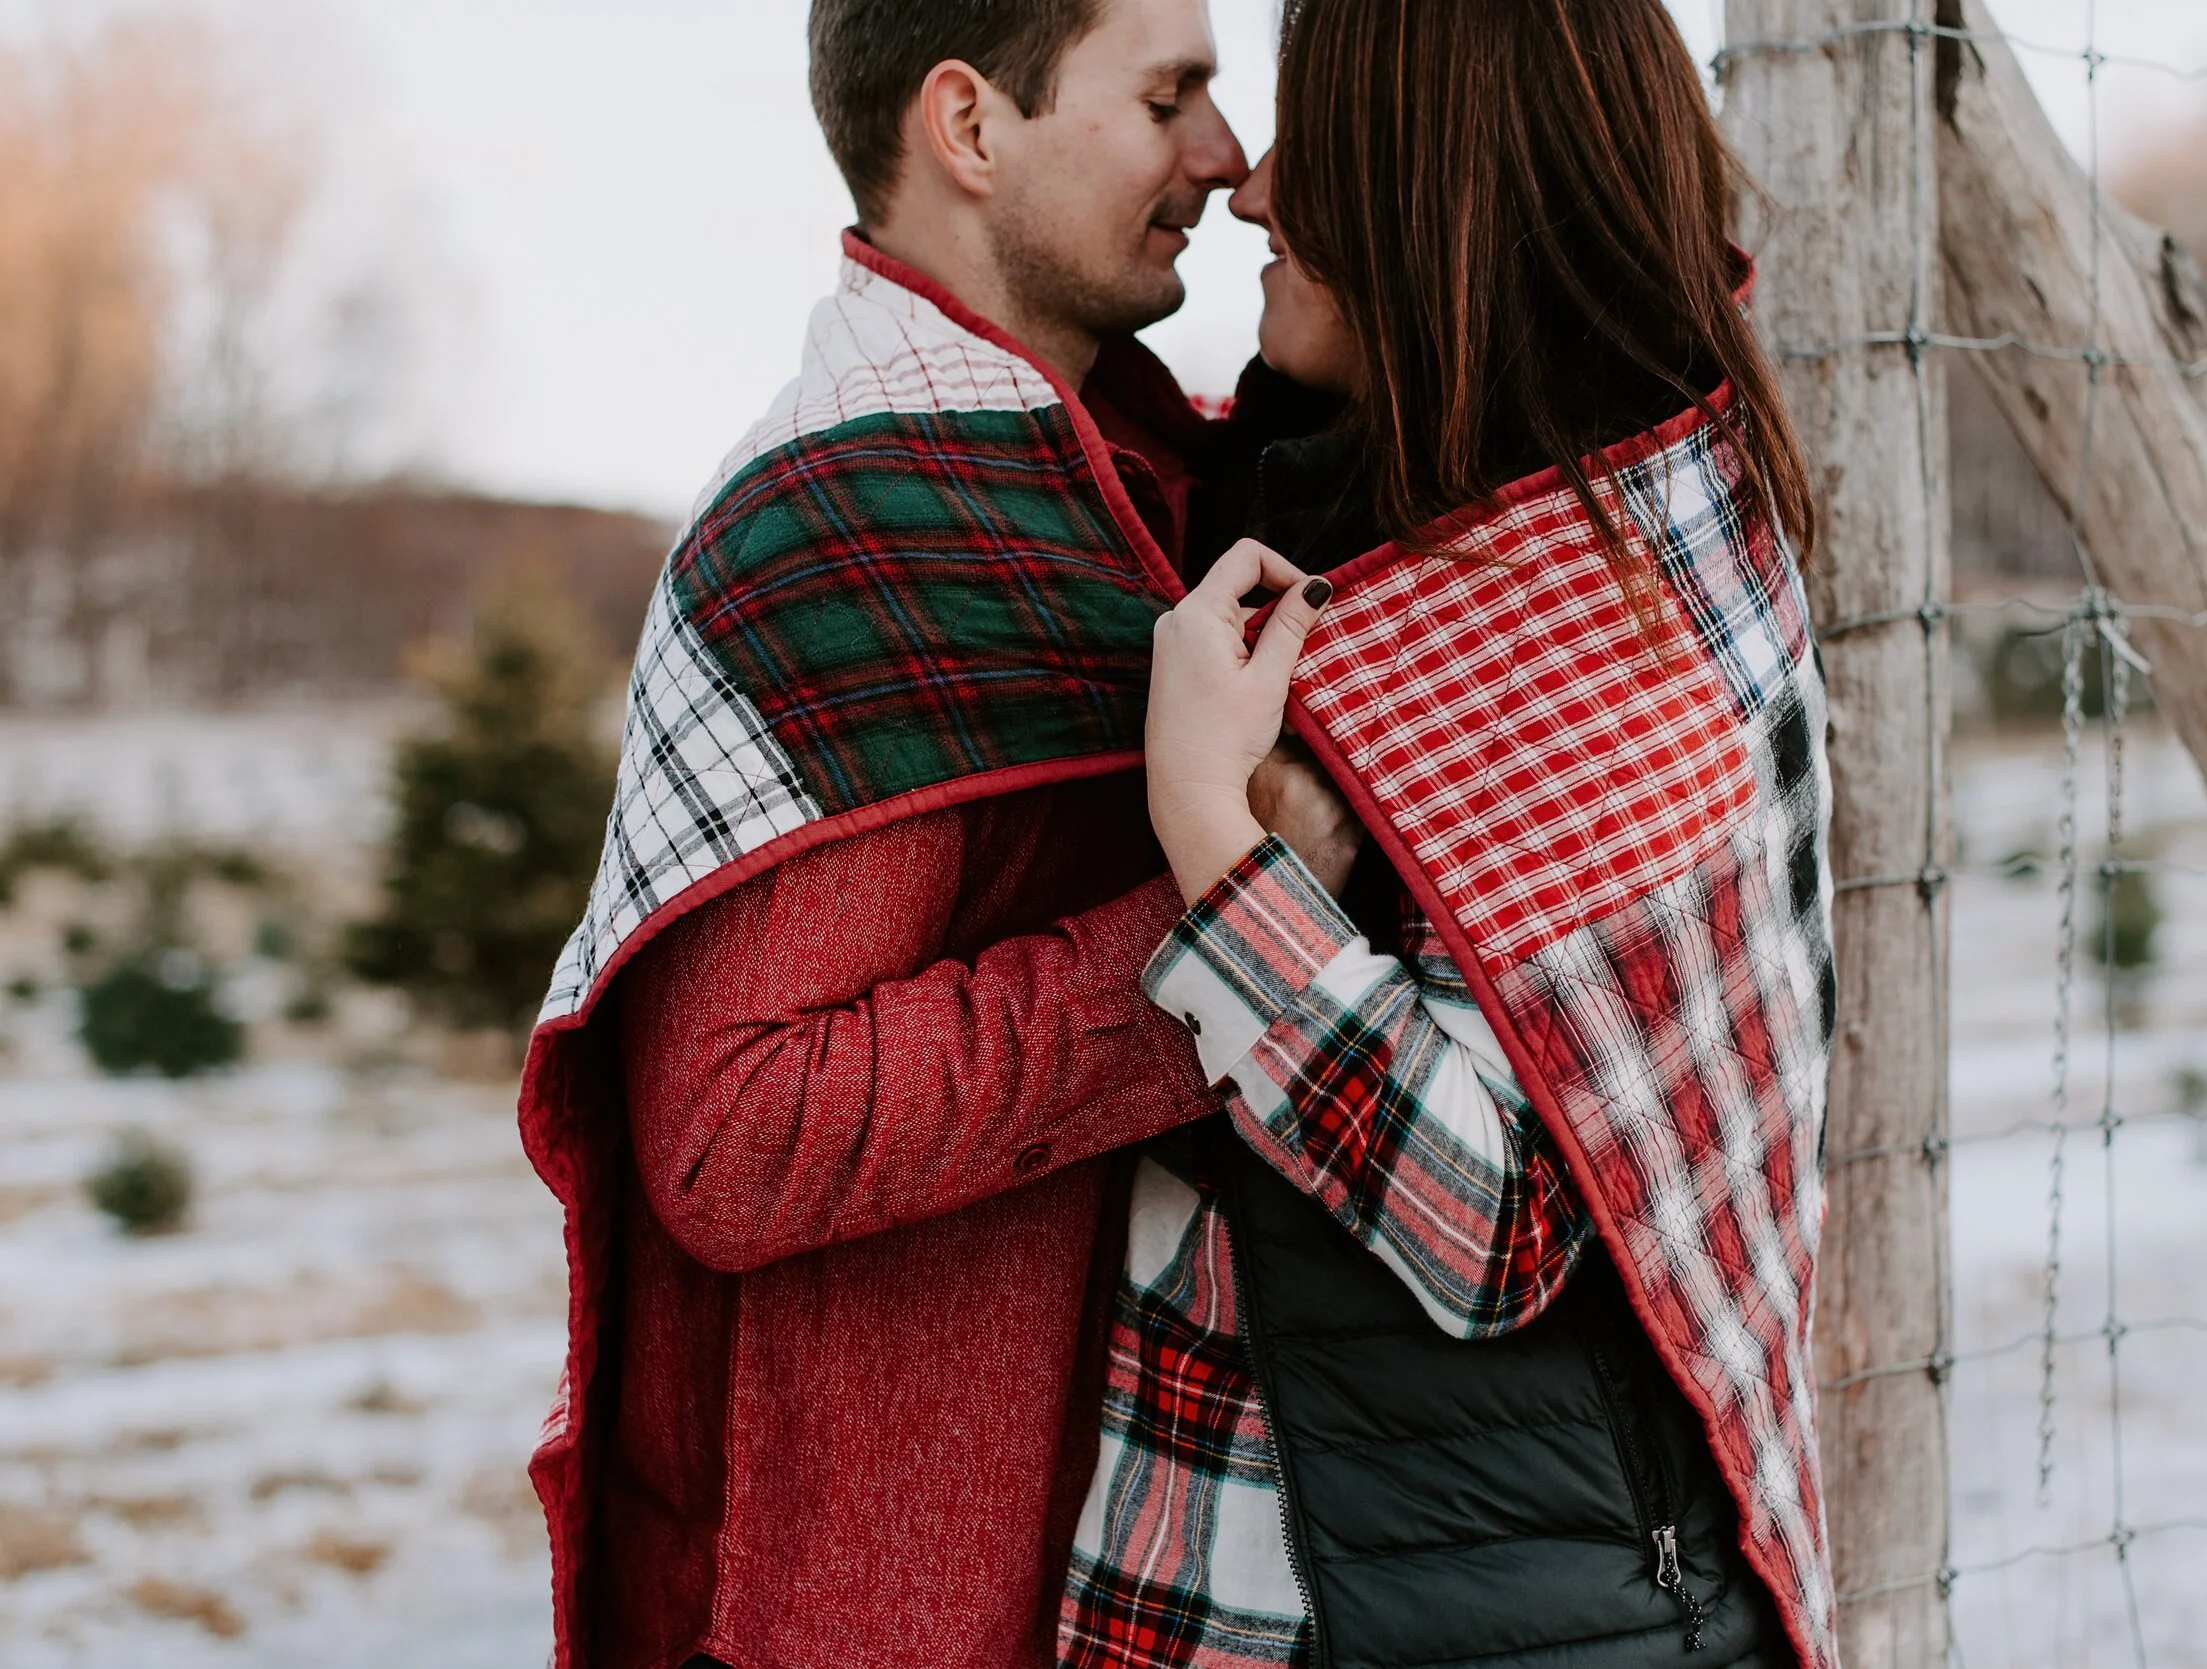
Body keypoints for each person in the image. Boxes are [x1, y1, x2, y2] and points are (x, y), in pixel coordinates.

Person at [511, 3, 1352, 1665]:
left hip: (1130, 1560)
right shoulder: (840, 527)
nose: (1225, 158)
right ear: (969, 128)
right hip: (891, 1589)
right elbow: (735, 1136)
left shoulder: (1130, 478)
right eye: (1168, 98)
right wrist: (1229, 937)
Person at [1056, 1, 1839, 1667]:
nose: (1253, 190)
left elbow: (1496, 1231)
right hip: (1322, 1564)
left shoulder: (1607, 618)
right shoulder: (1363, 517)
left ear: (1441, 197)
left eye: (1317, 143)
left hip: (1520, 1615)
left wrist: (1216, 838)